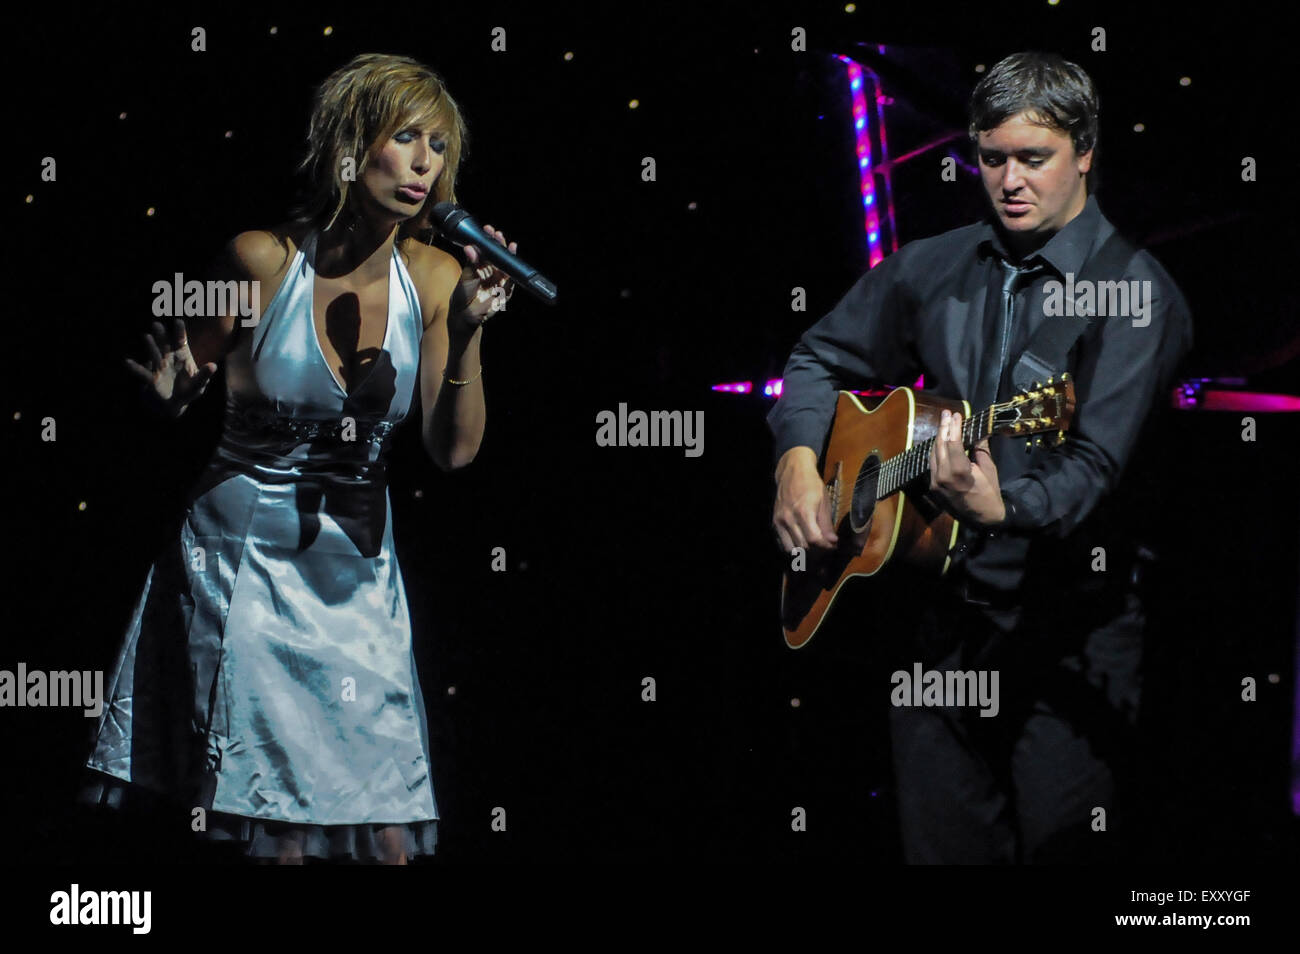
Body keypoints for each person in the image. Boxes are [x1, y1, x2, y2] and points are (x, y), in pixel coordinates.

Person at [78, 53, 517, 864]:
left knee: (381, 825)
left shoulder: (436, 276)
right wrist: (168, 396)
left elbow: (453, 452)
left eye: (440, 146)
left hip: (356, 575)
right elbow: (174, 392)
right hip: (241, 561)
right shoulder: (259, 259)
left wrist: (469, 330)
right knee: (265, 817)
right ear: (353, 147)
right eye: (406, 137)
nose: (426, 162)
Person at [768, 51, 1194, 863]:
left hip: (1071, 635)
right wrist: (795, 461)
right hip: (937, 622)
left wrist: (1003, 508)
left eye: (1034, 159)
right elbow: (816, 359)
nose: (1009, 180)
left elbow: (1094, 470)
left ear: (1085, 151)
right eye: (992, 158)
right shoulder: (933, 266)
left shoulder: (1134, 296)